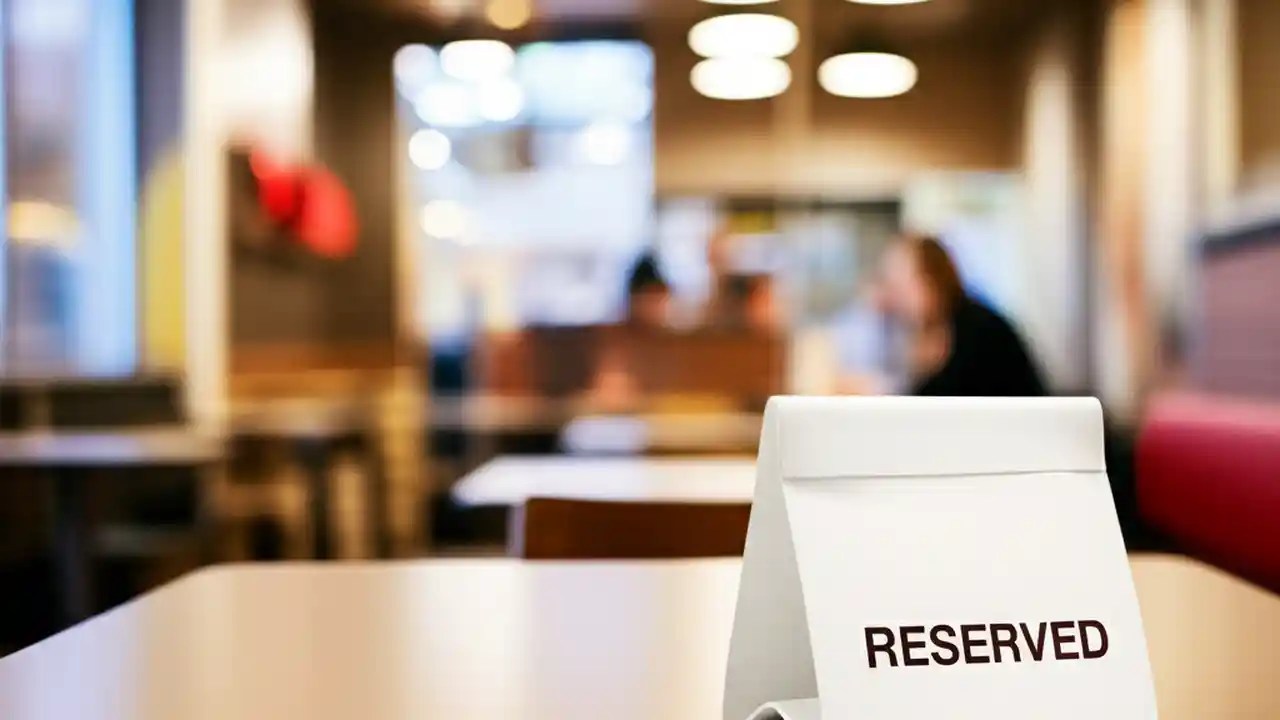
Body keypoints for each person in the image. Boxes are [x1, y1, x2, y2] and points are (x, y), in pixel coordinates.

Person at [876, 235, 1047, 397]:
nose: (897, 299)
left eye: (904, 286)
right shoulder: (927, 331)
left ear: (934, 278)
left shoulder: (981, 329)